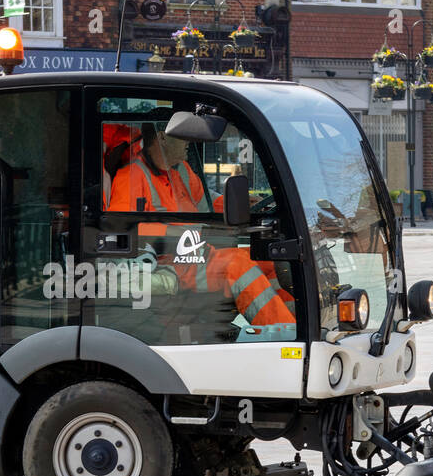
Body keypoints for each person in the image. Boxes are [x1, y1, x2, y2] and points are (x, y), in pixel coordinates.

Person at [106, 124, 295, 327]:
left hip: (198, 254)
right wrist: (172, 231)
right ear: (162, 138)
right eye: (183, 136)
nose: (189, 142)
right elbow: (122, 227)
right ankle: (280, 334)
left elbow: (205, 203)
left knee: (270, 257)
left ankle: (294, 324)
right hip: (171, 263)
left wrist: (241, 204)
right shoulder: (131, 177)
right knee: (239, 265)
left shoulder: (182, 171)